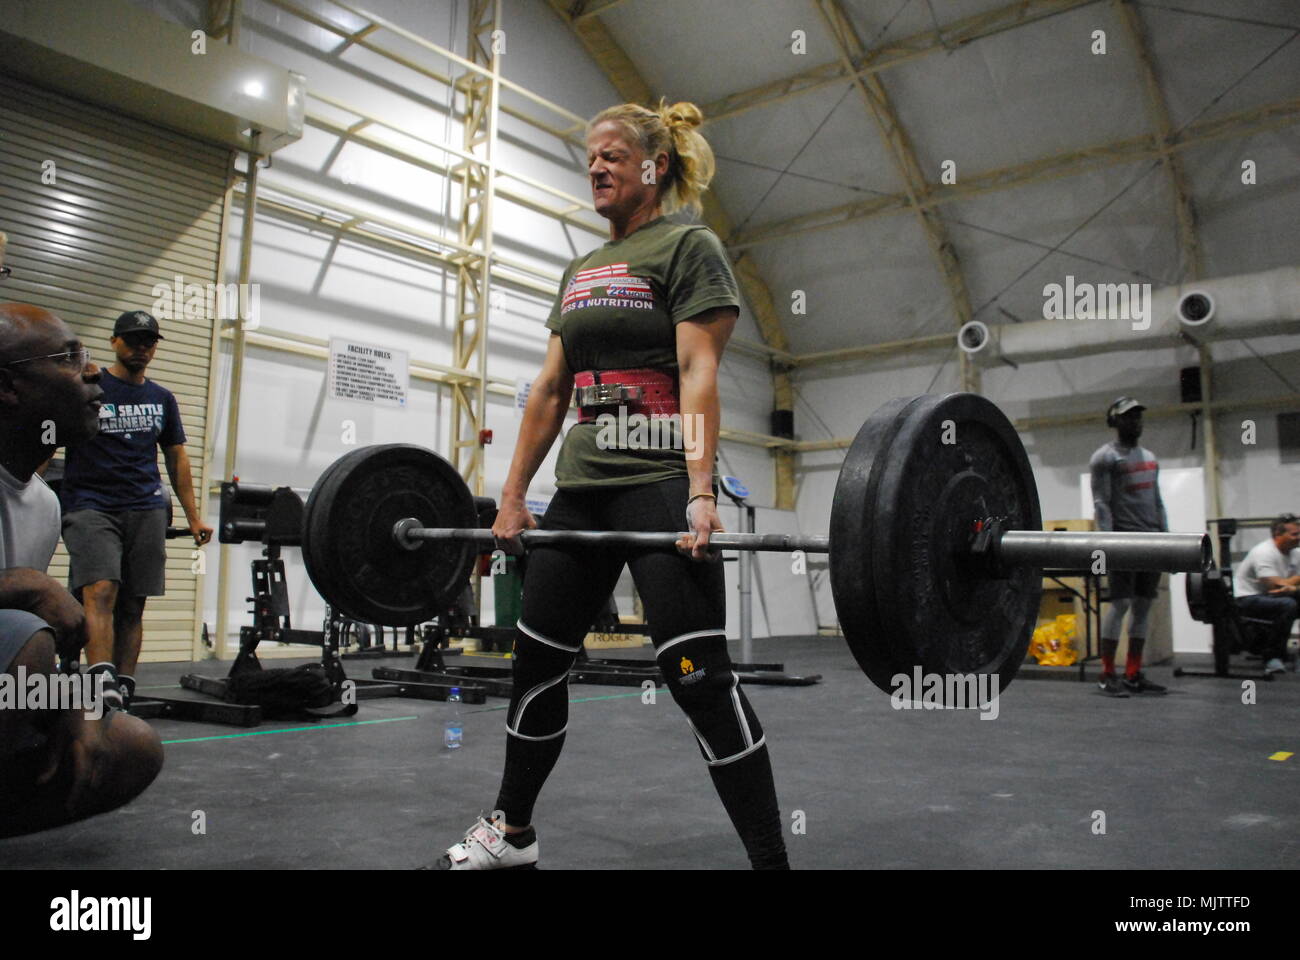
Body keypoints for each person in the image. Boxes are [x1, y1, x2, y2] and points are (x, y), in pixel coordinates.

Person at [433, 100, 788, 870]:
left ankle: (770, 862)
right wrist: (515, 493)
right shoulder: (580, 268)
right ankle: (514, 834)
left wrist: (701, 489)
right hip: (583, 487)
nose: (595, 168)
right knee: (536, 664)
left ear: (654, 168)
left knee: (696, 677)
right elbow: (552, 389)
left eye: (613, 157)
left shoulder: (690, 246)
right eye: (590, 158)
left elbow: (697, 370)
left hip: (659, 477)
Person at [0, 301, 163, 836]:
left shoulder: (43, 503)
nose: (92, 371)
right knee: (27, 633)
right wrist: (21, 587)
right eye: (70, 357)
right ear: (8, 388)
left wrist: (77, 702)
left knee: (132, 745)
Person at [58, 310, 212, 710]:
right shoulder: (90, 385)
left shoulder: (162, 399)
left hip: (145, 507)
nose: (141, 348)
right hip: (91, 505)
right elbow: (52, 430)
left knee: (133, 602)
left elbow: (177, 458)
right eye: (132, 340)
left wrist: (193, 516)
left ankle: (122, 688)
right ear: (114, 342)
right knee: (100, 589)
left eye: (148, 342)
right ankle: (100, 682)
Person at [1090, 397, 1169, 696]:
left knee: (1144, 605)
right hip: (1124, 539)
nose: (1135, 422)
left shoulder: (1149, 457)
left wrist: (1166, 538)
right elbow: (1101, 503)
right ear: (1114, 421)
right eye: (1128, 417)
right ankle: (1107, 673)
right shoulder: (1104, 458)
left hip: (1151, 540)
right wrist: (1108, 542)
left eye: (1138, 416)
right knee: (1121, 604)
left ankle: (1133, 673)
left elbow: (1158, 501)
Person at [1232, 514, 1299, 674]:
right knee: (1287, 605)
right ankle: (1272, 657)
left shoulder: (1295, 552)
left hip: (1270, 596)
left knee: (1289, 601)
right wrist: (1294, 582)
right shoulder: (1263, 552)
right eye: (1294, 534)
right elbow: (1272, 585)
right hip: (1246, 599)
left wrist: (1290, 586)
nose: (1299, 537)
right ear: (1278, 534)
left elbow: (1283, 586)